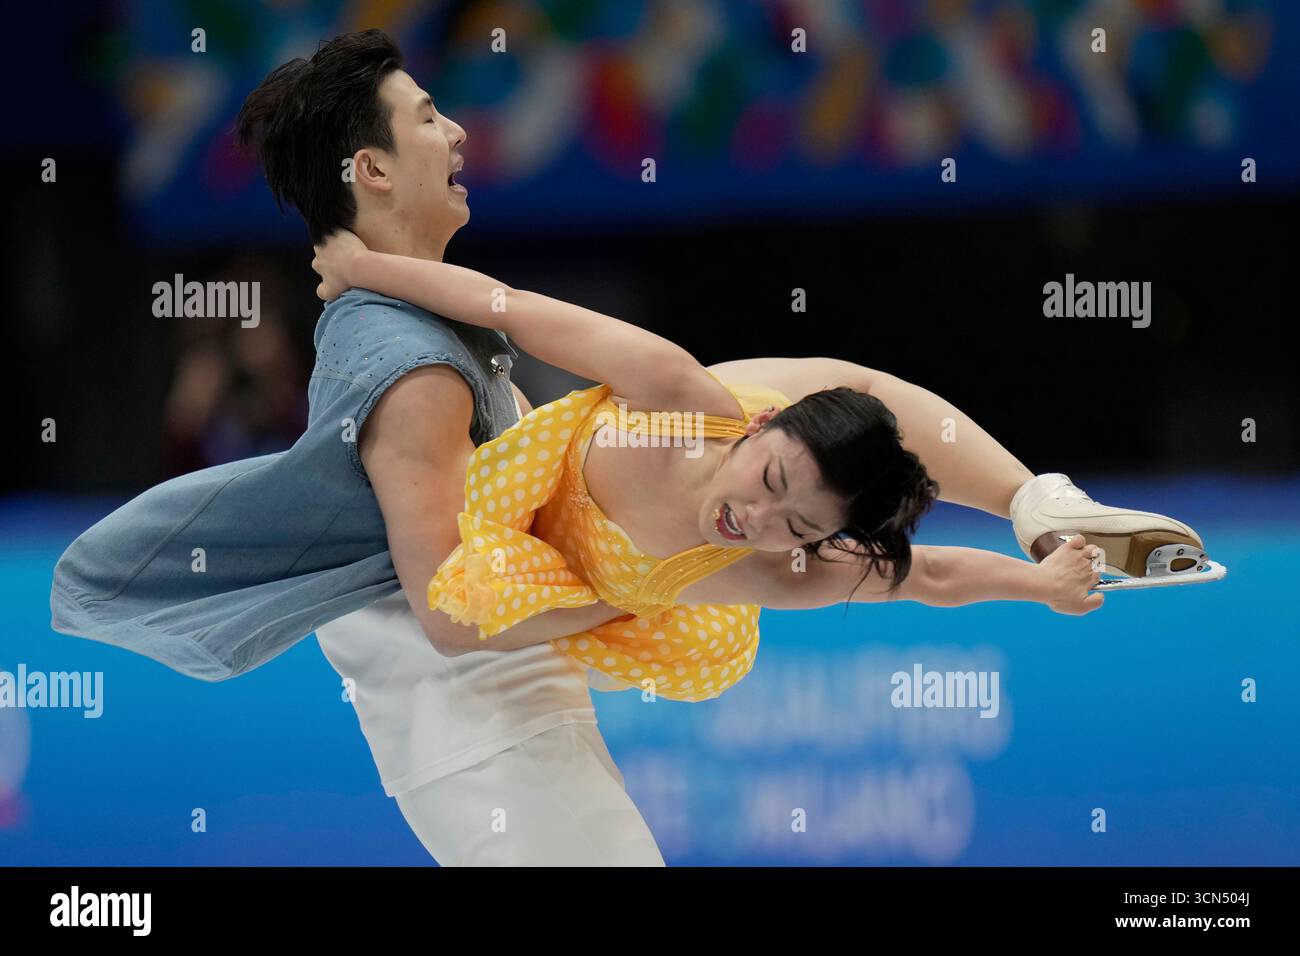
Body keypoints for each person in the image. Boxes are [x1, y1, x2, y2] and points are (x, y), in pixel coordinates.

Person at [50, 29, 664, 865]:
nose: (458, 134)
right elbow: (453, 612)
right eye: (427, 117)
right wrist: (639, 583)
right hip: (494, 750)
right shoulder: (409, 364)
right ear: (371, 170)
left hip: (513, 737)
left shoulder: (433, 331)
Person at [308, 229, 1213, 700]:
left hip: (570, 586)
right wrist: (368, 267)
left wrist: (1043, 587)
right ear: (762, 430)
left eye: (801, 527)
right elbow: (511, 306)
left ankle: (1034, 509)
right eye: (773, 483)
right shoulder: (678, 399)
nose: (761, 520)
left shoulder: (770, 568)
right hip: (537, 450)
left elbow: (924, 573)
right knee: (862, 393)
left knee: (466, 621)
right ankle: (1034, 491)